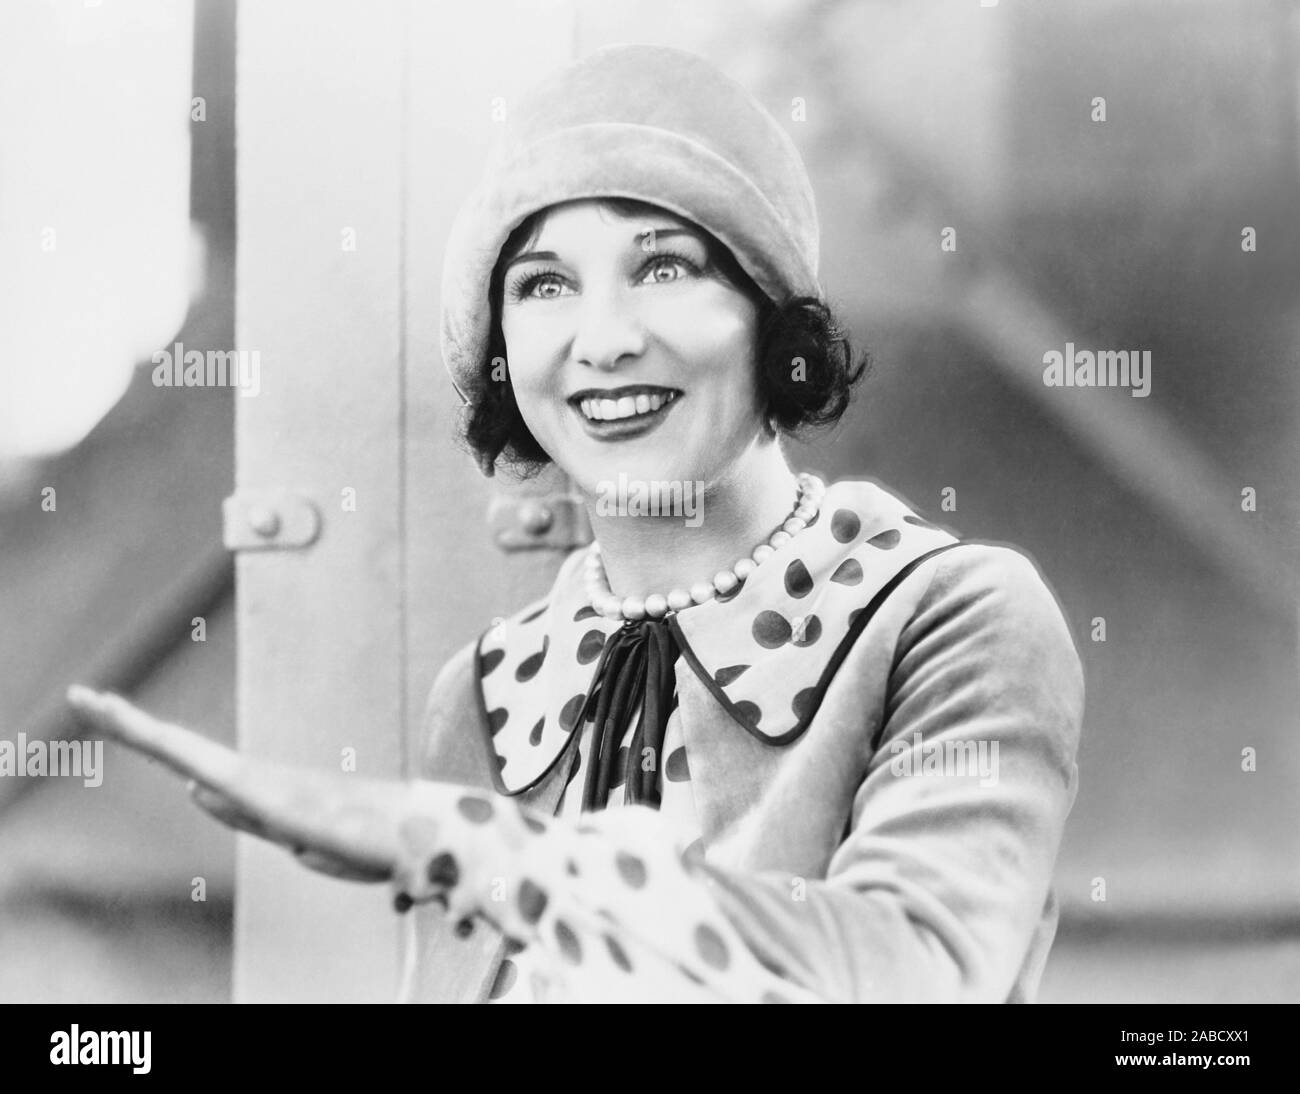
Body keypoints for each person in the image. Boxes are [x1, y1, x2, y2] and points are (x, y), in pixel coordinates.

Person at [69, 43, 1083, 1004]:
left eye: (665, 266)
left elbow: (912, 971)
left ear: (774, 316)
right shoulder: (483, 692)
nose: (603, 340)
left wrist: (485, 849)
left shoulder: (952, 618)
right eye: (544, 284)